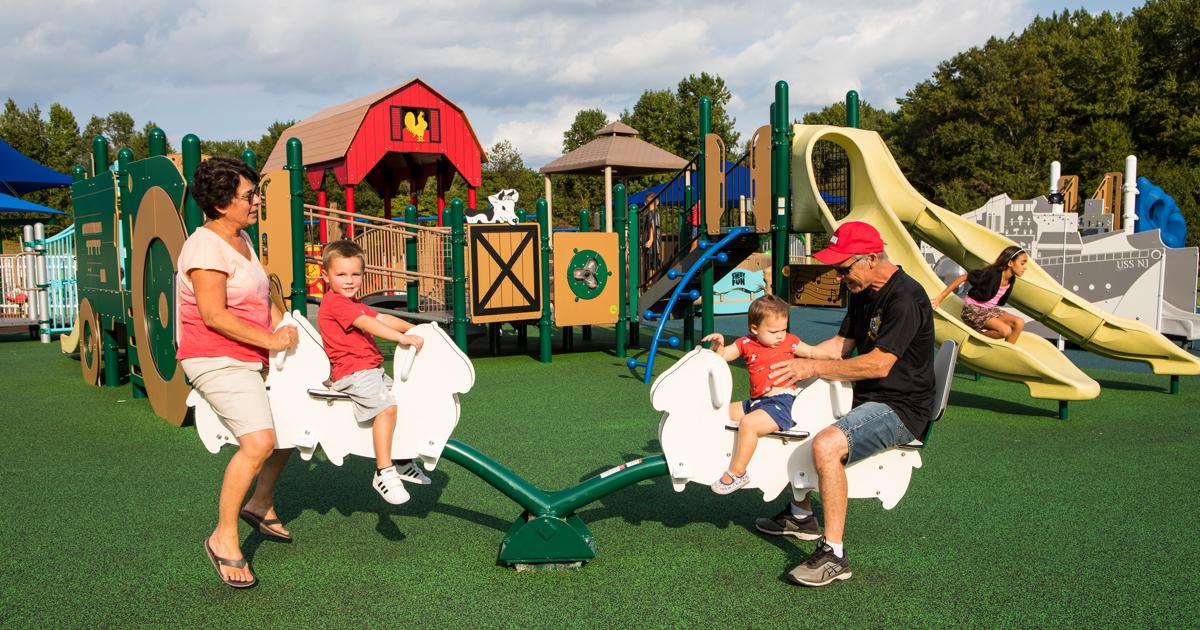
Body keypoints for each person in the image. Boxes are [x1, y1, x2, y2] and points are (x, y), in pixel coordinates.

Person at [755, 221, 934, 587]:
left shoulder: (905, 299)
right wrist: (784, 355)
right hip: (868, 394)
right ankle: (801, 514)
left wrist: (814, 367)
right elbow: (840, 346)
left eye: (843, 267)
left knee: (826, 443)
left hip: (901, 407)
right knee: (794, 411)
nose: (838, 276)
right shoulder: (863, 290)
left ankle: (834, 555)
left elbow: (879, 363)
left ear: (871, 258)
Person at [177, 157, 300, 589]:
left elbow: (261, 300)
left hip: (253, 353)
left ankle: (260, 503)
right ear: (221, 202)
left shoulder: (242, 239)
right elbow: (212, 315)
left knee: (295, 424)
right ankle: (223, 537)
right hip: (216, 357)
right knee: (260, 441)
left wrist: (289, 328)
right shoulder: (205, 247)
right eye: (249, 195)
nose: (257, 200)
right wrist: (270, 341)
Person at [317, 240, 428, 505]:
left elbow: (379, 318)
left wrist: (413, 329)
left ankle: (400, 459)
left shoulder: (353, 303)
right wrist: (401, 339)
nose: (349, 281)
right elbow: (367, 323)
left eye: (355, 274)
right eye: (341, 274)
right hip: (353, 372)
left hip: (369, 370)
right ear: (326, 276)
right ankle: (384, 471)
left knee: (400, 402)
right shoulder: (335, 303)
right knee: (386, 409)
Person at [701, 294, 840, 494]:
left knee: (748, 423)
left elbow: (810, 352)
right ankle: (714, 454)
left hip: (782, 402)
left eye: (783, 329)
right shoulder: (745, 343)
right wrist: (718, 346)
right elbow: (723, 356)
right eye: (774, 331)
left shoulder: (790, 341)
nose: (780, 335)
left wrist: (832, 356)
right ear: (754, 329)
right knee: (720, 412)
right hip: (757, 401)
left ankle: (738, 472)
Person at [932, 246, 1028, 344]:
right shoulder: (992, 274)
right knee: (1005, 331)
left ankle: (1008, 352)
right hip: (972, 310)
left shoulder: (1011, 279)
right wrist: (941, 297)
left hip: (989, 310)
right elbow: (963, 277)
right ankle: (973, 340)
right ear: (1010, 263)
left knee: (1019, 322)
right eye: (1022, 263)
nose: (1025, 268)